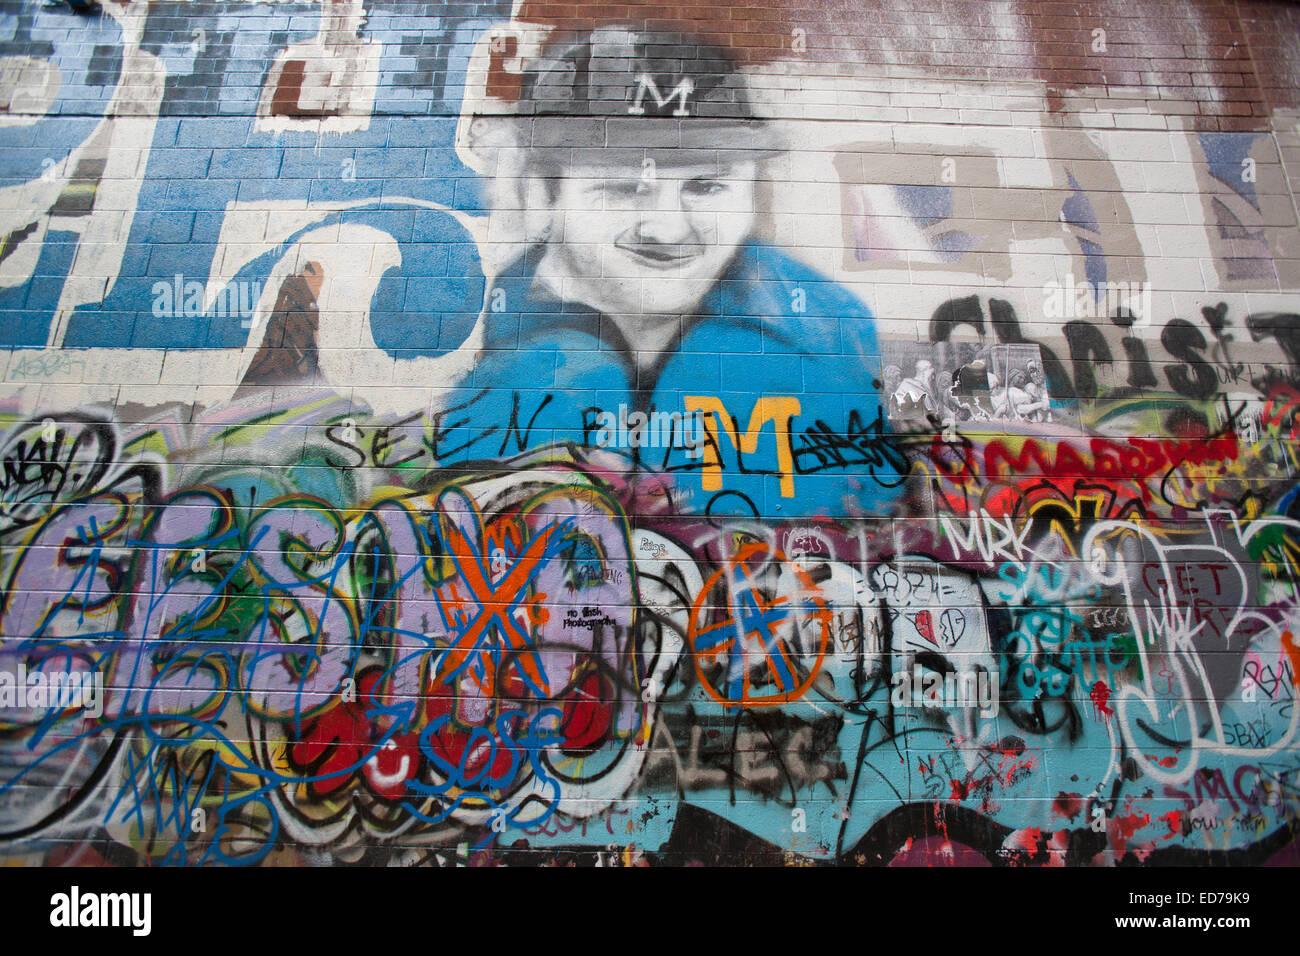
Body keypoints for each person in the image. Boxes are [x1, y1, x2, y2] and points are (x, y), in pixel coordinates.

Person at [448, 25, 906, 517]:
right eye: (623, 188)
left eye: (707, 186)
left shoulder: (827, 333)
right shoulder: (495, 333)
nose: (668, 229)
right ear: (545, 190)